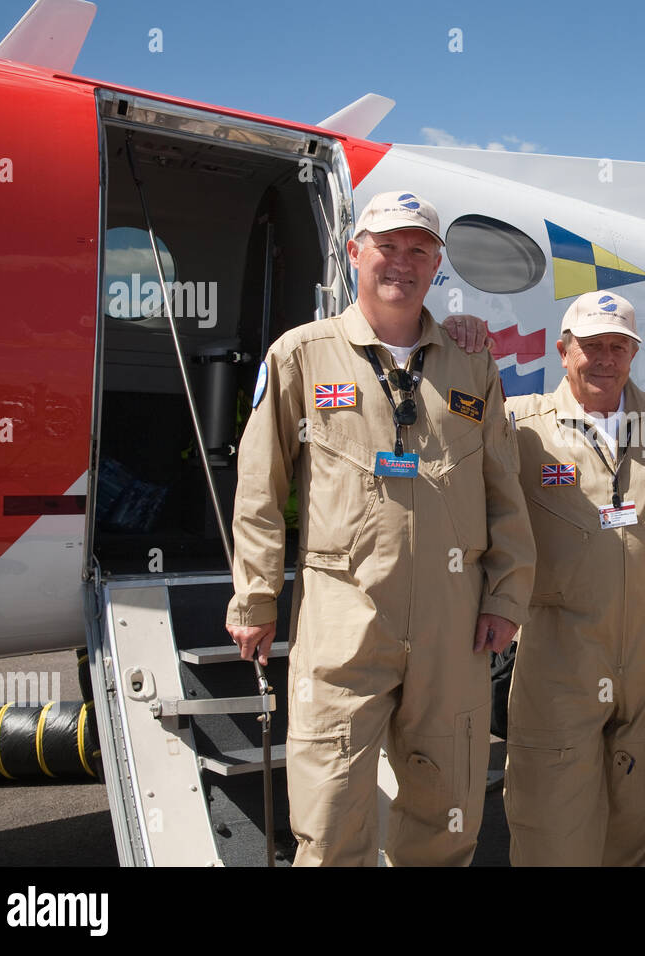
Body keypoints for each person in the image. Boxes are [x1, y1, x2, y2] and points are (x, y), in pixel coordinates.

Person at [224, 191, 535, 866]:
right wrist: (254, 599)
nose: (402, 261)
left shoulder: (469, 361)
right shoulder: (300, 356)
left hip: (453, 626)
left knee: (447, 818)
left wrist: (507, 598)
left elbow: (503, 488)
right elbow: (261, 485)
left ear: (437, 265)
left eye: (419, 249)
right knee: (331, 818)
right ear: (354, 252)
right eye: (387, 246)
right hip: (344, 619)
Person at [447, 291, 645, 865]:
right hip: (558, 655)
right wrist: (455, 339)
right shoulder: (521, 426)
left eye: (619, 347)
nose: (605, 359)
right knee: (550, 817)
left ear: (633, 353)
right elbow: (446, 429)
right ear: (563, 349)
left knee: (641, 806)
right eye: (591, 346)